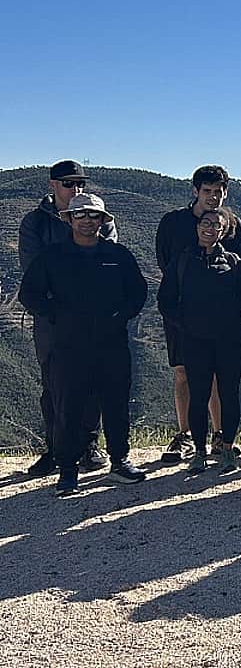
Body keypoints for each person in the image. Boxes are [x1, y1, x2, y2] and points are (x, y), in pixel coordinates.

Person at [18, 194, 148, 496]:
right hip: (68, 346)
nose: (87, 220)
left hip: (112, 345)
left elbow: (138, 292)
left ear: (103, 220)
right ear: (69, 220)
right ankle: (67, 471)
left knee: (116, 406)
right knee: (68, 408)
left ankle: (119, 461)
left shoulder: (119, 255)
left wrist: (121, 317)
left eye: (93, 215)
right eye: (80, 215)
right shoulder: (53, 257)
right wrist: (55, 316)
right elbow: (30, 293)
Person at [17, 159, 117, 476]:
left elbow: (107, 264)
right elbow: (33, 272)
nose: (75, 189)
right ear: (52, 185)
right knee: (53, 384)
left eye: (80, 184)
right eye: (68, 183)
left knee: (93, 382)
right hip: (53, 320)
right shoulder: (34, 223)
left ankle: (88, 446)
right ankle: (56, 449)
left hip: (93, 319)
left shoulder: (103, 220)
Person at [155, 165, 241, 464]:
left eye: (219, 192)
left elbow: (239, 270)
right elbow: (164, 263)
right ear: (195, 191)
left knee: (221, 381)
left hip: (223, 323)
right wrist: (183, 314)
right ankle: (185, 435)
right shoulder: (173, 223)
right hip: (183, 316)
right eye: (207, 191)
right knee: (183, 374)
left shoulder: (234, 225)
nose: (213, 197)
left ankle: (220, 435)